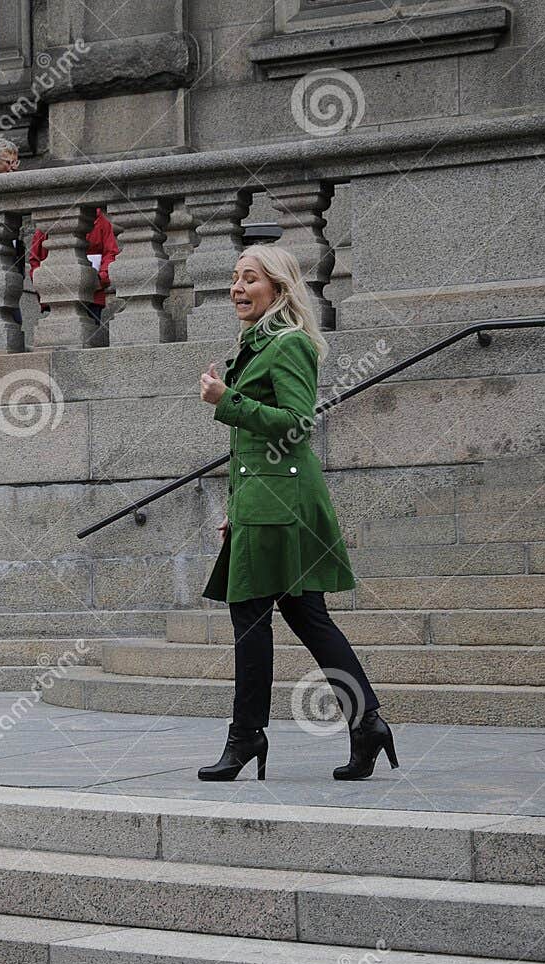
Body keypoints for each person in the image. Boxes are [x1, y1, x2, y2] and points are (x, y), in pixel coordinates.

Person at [196, 244, 398, 782]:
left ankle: (245, 740)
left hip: (283, 503)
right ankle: (367, 724)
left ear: (279, 289)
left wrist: (225, 400)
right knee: (306, 617)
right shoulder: (257, 343)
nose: (237, 288)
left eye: (250, 279)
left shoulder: (288, 346)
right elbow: (253, 449)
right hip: (265, 501)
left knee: (254, 619)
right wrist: (238, 507)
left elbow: (295, 425)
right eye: (234, 279)